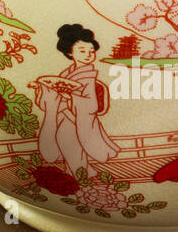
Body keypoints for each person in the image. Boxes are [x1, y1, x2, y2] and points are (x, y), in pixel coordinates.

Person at [33, 24, 119, 175]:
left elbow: (90, 105)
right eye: (82, 51)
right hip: (65, 114)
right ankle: (81, 172)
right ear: (69, 53)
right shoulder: (68, 73)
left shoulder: (88, 77)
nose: (88, 55)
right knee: (65, 142)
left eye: (91, 51)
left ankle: (80, 173)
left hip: (77, 117)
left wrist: (70, 98)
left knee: (67, 141)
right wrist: (41, 88)